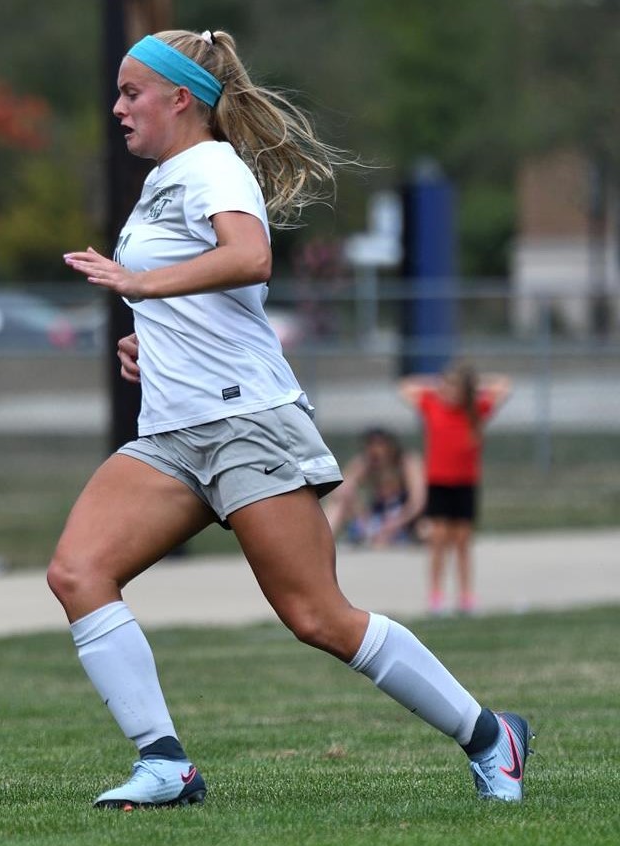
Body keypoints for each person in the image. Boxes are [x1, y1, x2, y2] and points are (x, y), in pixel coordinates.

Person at [49, 29, 530, 808]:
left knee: (318, 618)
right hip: (174, 432)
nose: (117, 107)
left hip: (246, 426)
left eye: (131, 92)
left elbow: (250, 258)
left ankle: (488, 735)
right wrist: (152, 338)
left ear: (181, 99)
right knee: (77, 572)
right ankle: (166, 763)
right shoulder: (168, 177)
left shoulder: (211, 165)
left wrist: (140, 281)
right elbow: (208, 294)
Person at [398, 364, 512, 615]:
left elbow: (504, 386)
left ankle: (466, 596)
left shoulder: (476, 410)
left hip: (465, 483)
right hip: (439, 482)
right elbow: (405, 386)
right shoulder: (431, 403)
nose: (449, 393)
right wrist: (436, 382)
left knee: (462, 542)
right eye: (446, 387)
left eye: (455, 389)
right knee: (438, 540)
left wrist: (475, 384)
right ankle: (436, 595)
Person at [324, 427, 427, 547]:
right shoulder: (365, 462)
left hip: (404, 518)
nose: (375, 450)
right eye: (371, 444)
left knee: (427, 527)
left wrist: (395, 523)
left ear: (391, 446)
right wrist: (361, 516)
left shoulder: (407, 462)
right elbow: (342, 491)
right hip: (377, 515)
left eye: (380, 444)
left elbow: (418, 502)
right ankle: (321, 542)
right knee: (338, 503)